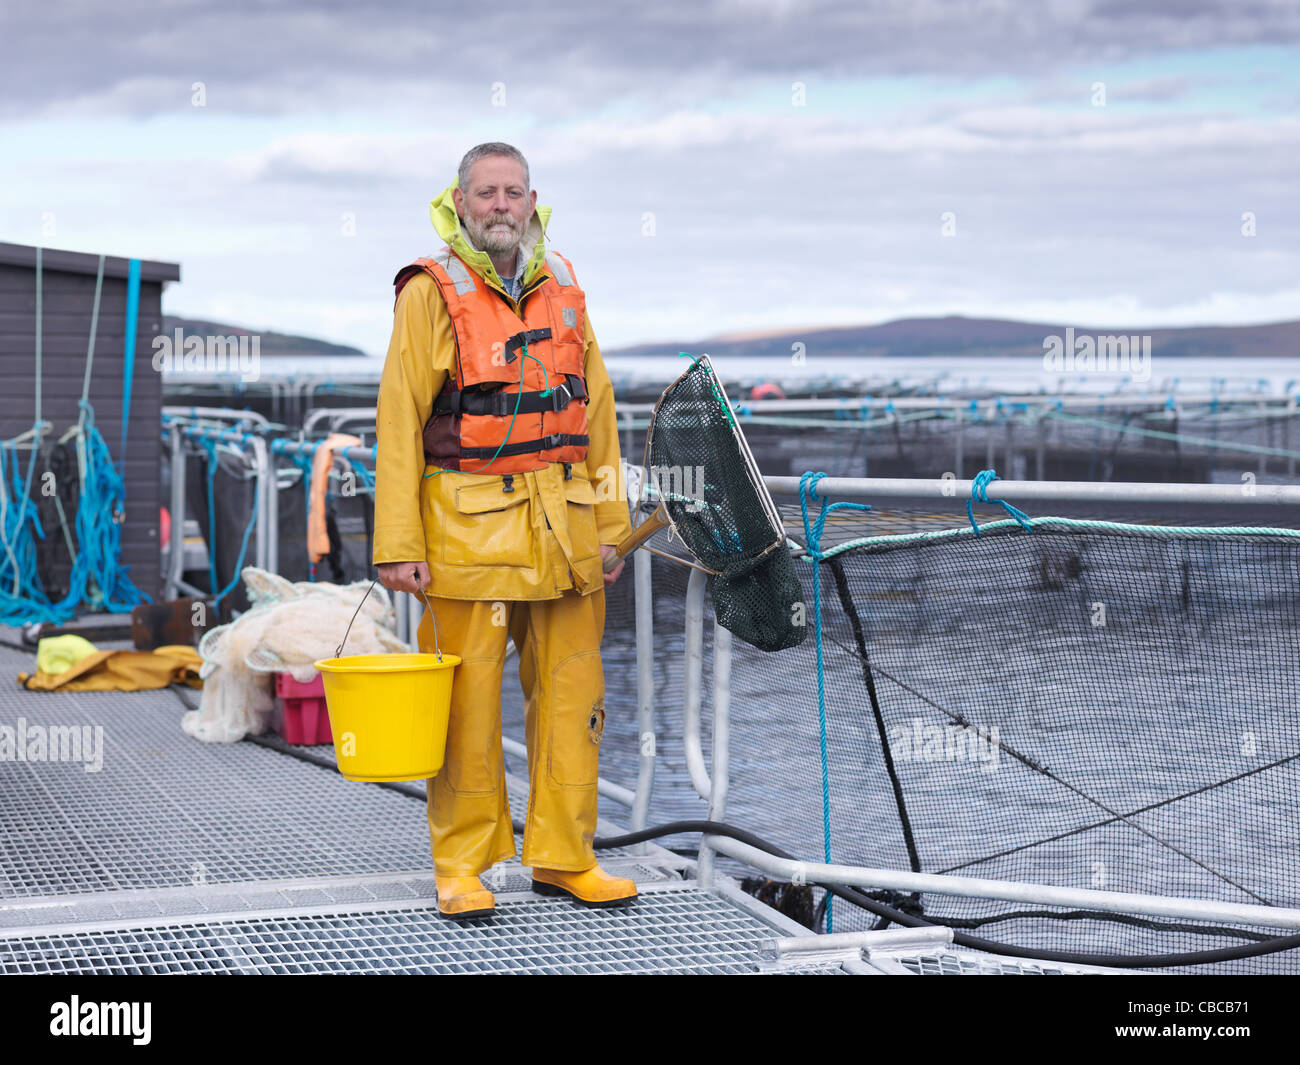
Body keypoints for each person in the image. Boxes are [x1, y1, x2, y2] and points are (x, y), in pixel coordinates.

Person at [372, 143, 636, 919]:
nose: (499, 205)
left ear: (531, 201)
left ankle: (565, 855)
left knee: (572, 699)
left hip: (565, 535)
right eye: (484, 193)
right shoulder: (431, 290)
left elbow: (600, 418)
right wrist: (398, 544)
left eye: (512, 192)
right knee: (466, 707)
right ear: (460, 201)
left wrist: (611, 527)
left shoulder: (567, 290)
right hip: (466, 540)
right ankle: (461, 864)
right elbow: (398, 417)